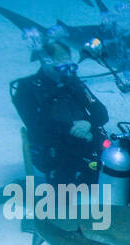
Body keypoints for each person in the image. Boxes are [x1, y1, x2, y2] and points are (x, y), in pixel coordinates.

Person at [10, 39, 109, 188]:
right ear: (45, 61)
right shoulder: (26, 88)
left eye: (67, 58)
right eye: (59, 60)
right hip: (54, 151)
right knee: (63, 192)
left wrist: (89, 123)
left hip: (87, 143)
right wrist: (76, 130)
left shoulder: (72, 82)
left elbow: (101, 113)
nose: (65, 64)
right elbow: (37, 128)